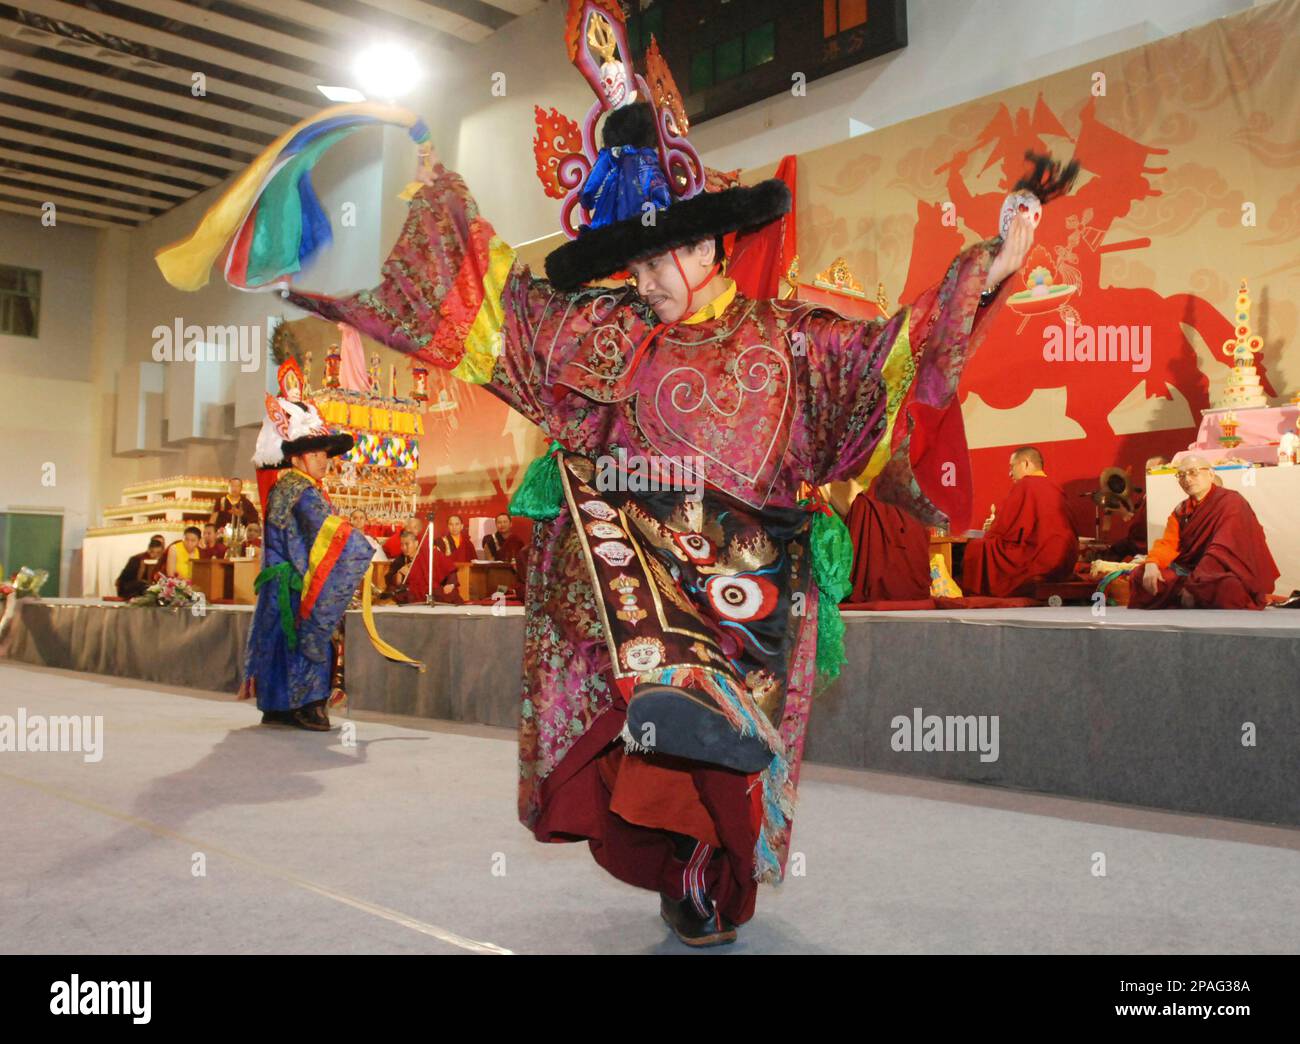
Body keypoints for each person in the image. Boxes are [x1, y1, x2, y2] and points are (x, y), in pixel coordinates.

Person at [161, 87, 1067, 943]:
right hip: (640, 592)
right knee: (636, 660)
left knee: (723, 775)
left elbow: (896, 360)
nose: (647, 276)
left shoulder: (794, 341)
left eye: (662, 255)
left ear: (713, 247)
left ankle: (706, 867)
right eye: (634, 260)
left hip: (747, 591)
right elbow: (491, 308)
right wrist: (411, 193)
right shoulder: (610, 339)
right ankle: (682, 805)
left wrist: (991, 267)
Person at [238, 388, 374, 731]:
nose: (323, 459)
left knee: (279, 639)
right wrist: (360, 544)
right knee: (308, 638)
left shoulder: (286, 486)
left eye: (325, 453)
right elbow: (328, 530)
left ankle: (277, 705)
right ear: (296, 457)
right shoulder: (302, 490)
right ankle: (307, 704)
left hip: (277, 581)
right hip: (297, 582)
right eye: (315, 453)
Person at [1128, 455, 1279, 610]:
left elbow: (1221, 549)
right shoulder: (1181, 510)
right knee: (1139, 576)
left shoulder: (1232, 502)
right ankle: (1189, 597)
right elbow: (1168, 544)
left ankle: (1186, 596)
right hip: (1190, 573)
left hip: (1220, 571)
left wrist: (1194, 584)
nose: (1187, 479)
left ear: (1211, 474)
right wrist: (1152, 563)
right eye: (1181, 475)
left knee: (1228, 587)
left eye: (1193, 472)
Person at [962, 447, 1078, 598]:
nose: (1010, 473)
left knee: (977, 548)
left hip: (1039, 560)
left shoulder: (1026, 485)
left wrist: (990, 531)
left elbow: (1002, 530)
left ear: (1026, 464)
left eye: (1012, 467)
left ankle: (977, 593)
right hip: (1064, 561)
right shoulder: (1055, 488)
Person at [484, 511, 529, 588]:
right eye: (499, 522)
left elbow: (523, 561)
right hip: (496, 575)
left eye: (505, 522)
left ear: (510, 524)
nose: (502, 525)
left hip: (514, 574)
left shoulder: (517, 540)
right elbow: (489, 561)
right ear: (496, 525)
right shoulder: (490, 540)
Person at [386, 530, 420, 602]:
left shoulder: (424, 557)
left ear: (416, 543)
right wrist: (398, 575)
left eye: (407, 544)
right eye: (402, 545)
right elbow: (389, 578)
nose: (404, 548)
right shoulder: (400, 560)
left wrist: (412, 574)